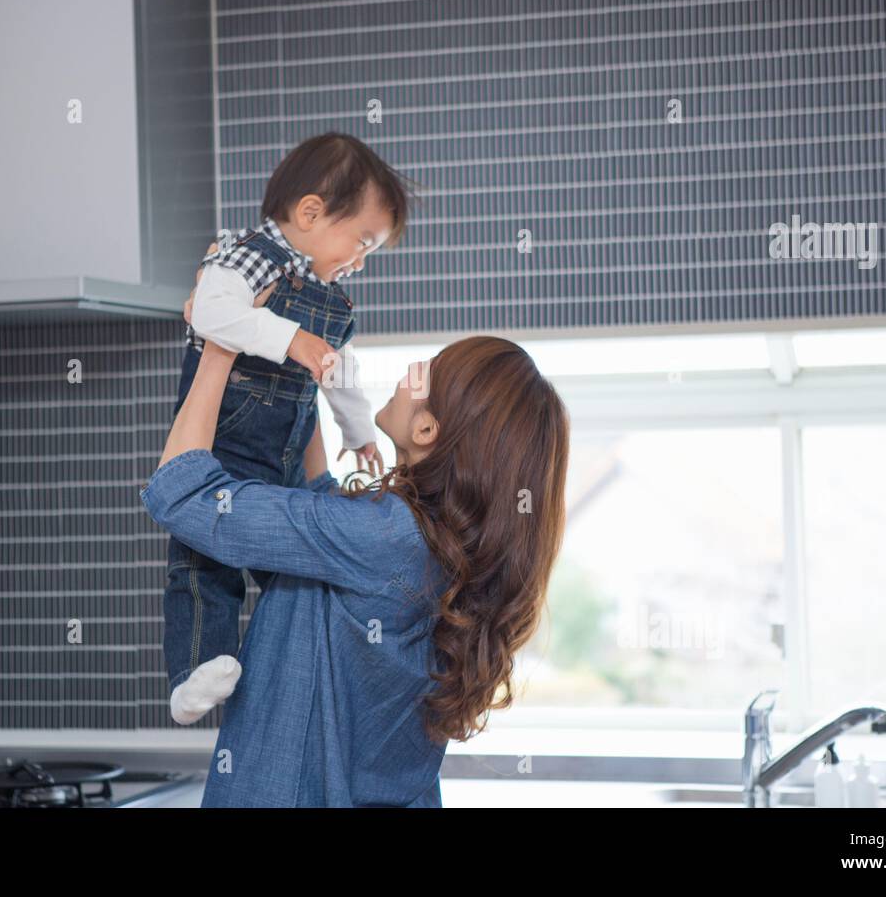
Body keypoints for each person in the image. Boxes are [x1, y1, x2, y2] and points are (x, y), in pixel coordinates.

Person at [140, 334, 570, 806]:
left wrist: (218, 344)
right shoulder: (434, 547)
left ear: (428, 430)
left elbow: (181, 494)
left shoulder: (385, 534)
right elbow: (319, 500)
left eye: (428, 372)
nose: (412, 371)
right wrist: (304, 377)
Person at [161, 133, 414, 724]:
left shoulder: (329, 298)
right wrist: (290, 338)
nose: (360, 260)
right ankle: (193, 672)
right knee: (203, 565)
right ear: (310, 212)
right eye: (362, 242)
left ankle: (303, 678)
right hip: (222, 447)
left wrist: (358, 431)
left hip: (286, 455)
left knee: (298, 572)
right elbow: (210, 313)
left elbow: (336, 370)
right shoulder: (244, 257)